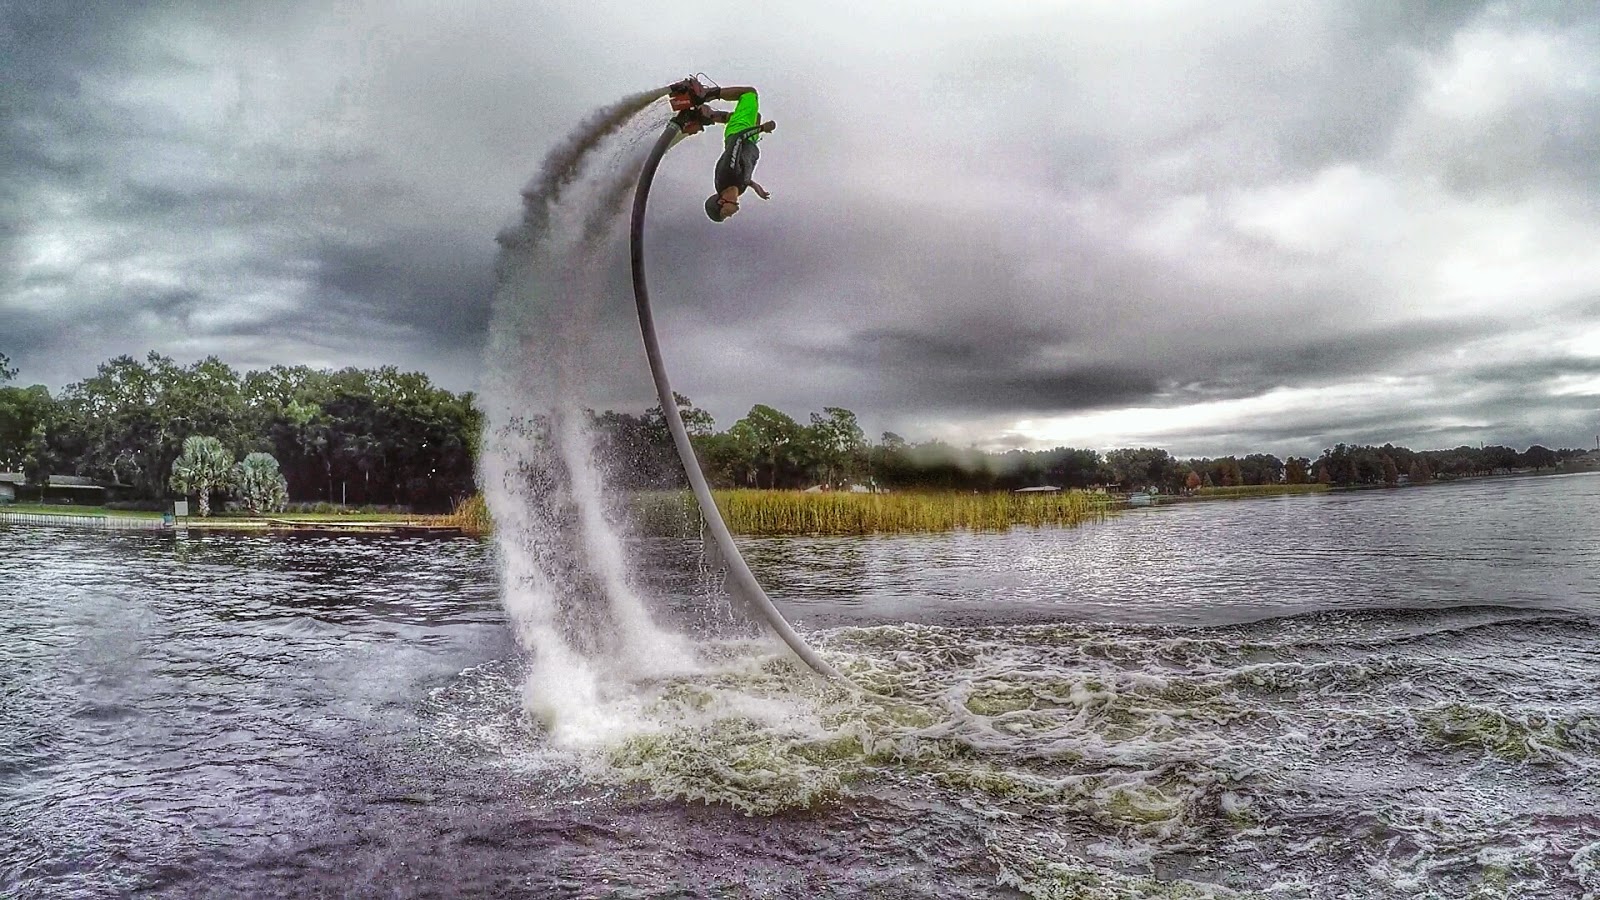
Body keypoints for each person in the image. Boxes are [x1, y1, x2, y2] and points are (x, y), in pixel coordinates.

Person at [699, 85, 777, 222]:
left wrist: (762, 128)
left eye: (724, 214)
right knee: (756, 116)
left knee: (750, 93)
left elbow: (737, 139)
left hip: (738, 132)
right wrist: (756, 187)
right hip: (751, 141)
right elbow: (744, 178)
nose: (729, 215)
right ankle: (713, 116)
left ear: (721, 203)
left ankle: (708, 94)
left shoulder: (727, 174)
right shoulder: (738, 190)